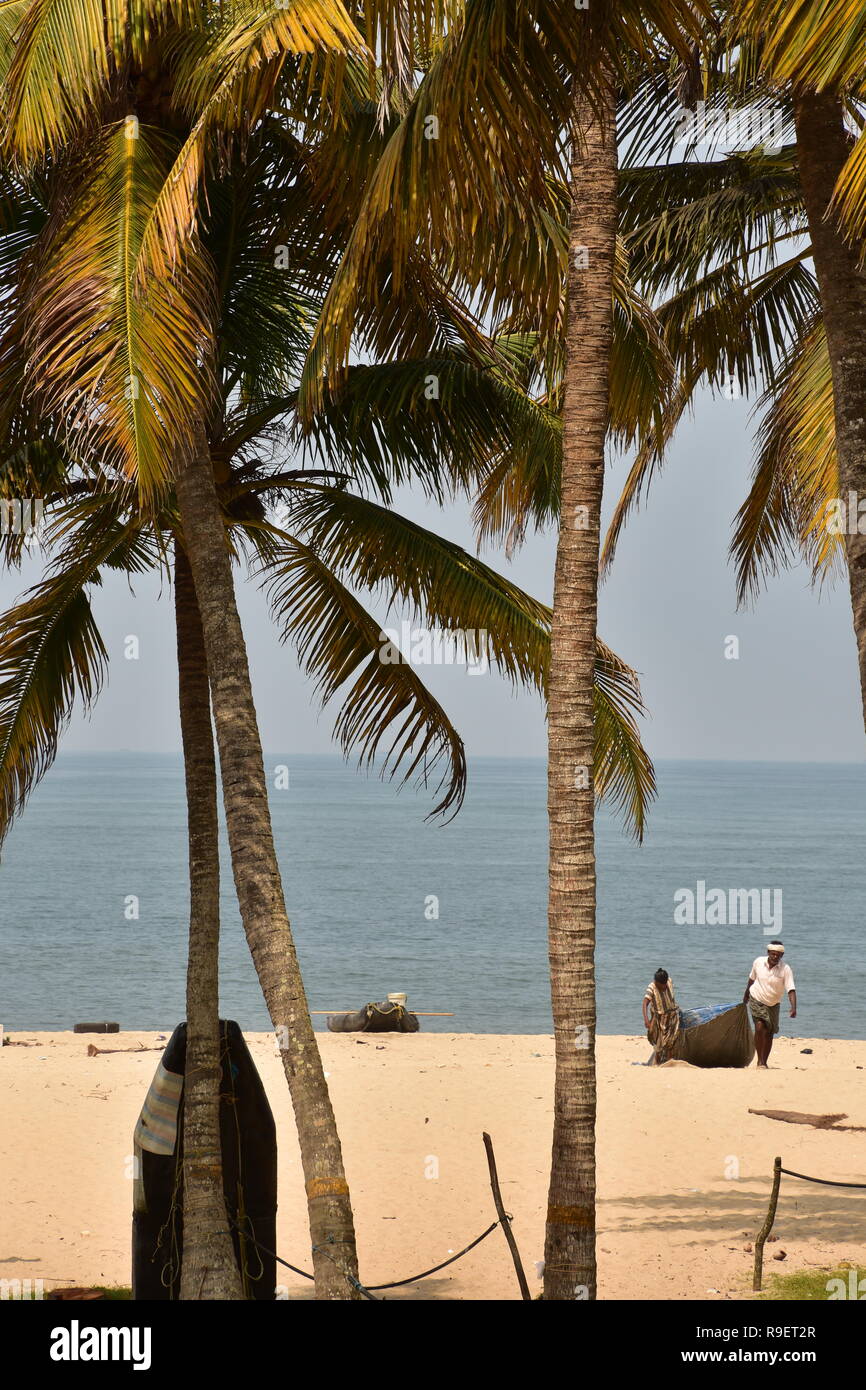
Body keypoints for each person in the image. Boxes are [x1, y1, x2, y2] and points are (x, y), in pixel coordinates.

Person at [743, 942, 797, 1069]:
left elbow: (791, 989)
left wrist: (793, 1007)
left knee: (769, 1032)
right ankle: (760, 1061)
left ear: (782, 955)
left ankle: (764, 1061)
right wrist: (746, 995)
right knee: (760, 1027)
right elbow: (751, 979)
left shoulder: (785, 969)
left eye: (778, 955)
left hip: (773, 1003)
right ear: (768, 953)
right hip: (756, 997)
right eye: (773, 954)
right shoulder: (758, 962)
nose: (775, 957)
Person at [643, 968, 680, 1065]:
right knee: (659, 1042)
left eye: (665, 985)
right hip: (660, 1018)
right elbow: (645, 1003)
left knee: (672, 1041)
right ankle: (657, 1062)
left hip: (672, 1016)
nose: (664, 987)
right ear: (656, 982)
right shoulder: (652, 987)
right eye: (661, 985)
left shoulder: (669, 981)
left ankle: (669, 1062)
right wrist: (647, 1020)